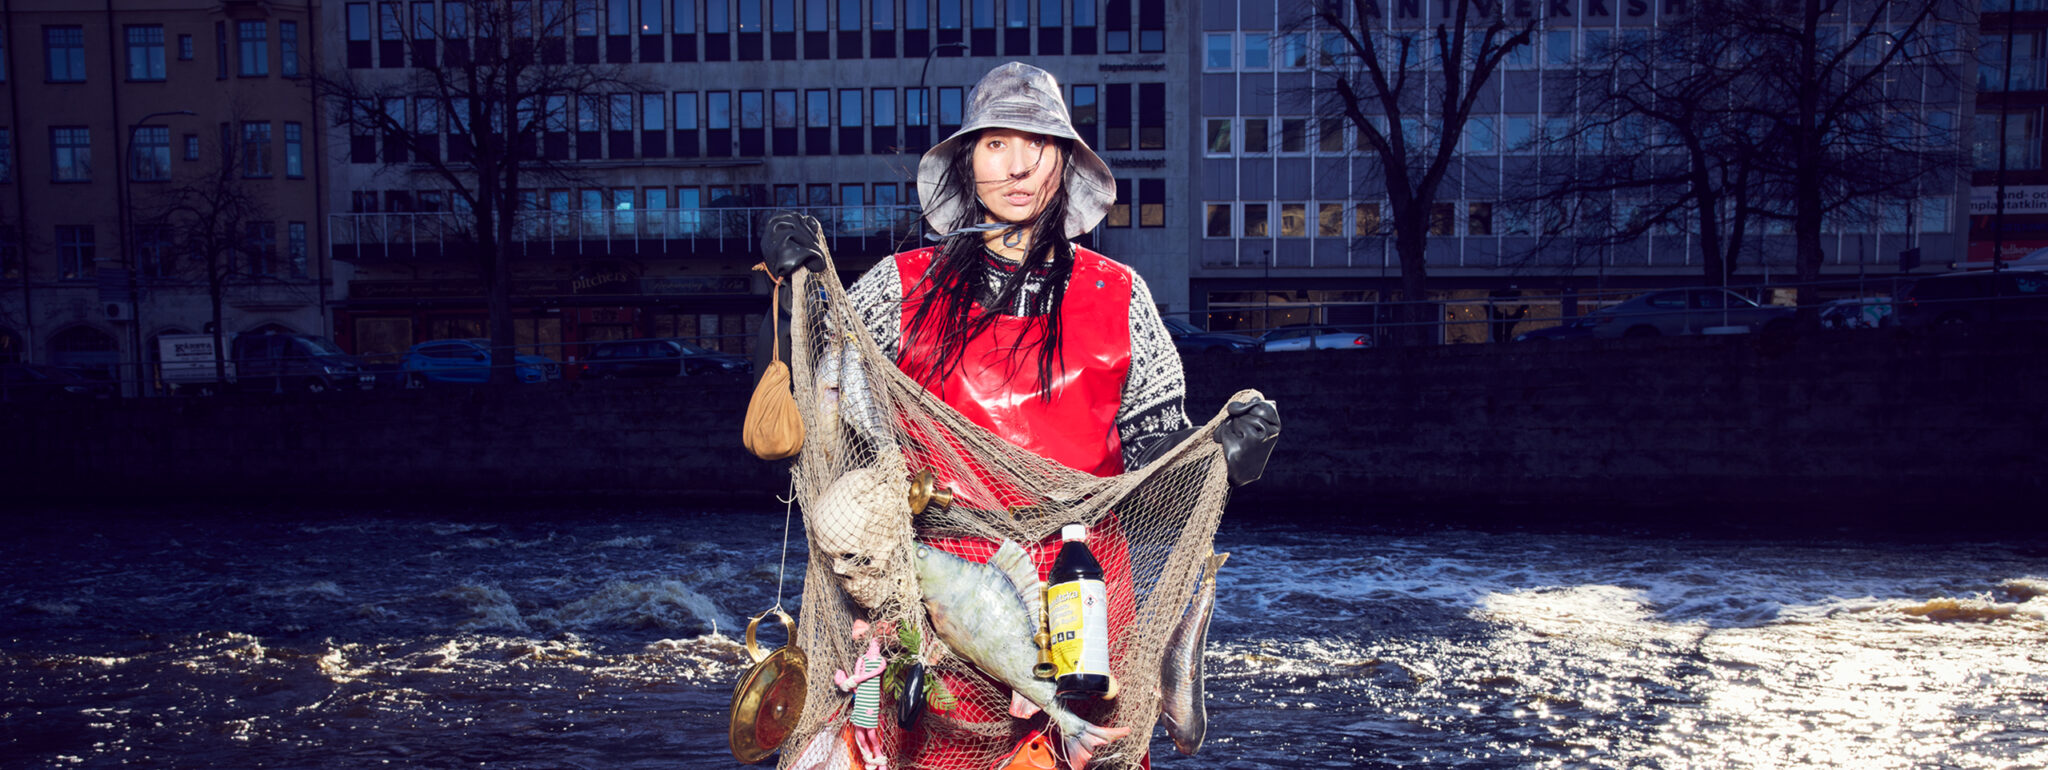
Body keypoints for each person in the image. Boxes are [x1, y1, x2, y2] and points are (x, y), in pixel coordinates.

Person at [759, 61, 1279, 769]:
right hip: (935, 610)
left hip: (1084, 610)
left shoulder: (1122, 295)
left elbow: (1155, 452)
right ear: (967, 163)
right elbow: (814, 412)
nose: (1018, 166)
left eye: (1039, 144)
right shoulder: (897, 288)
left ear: (1065, 163)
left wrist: (1220, 449)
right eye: (995, 144)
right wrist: (792, 297)